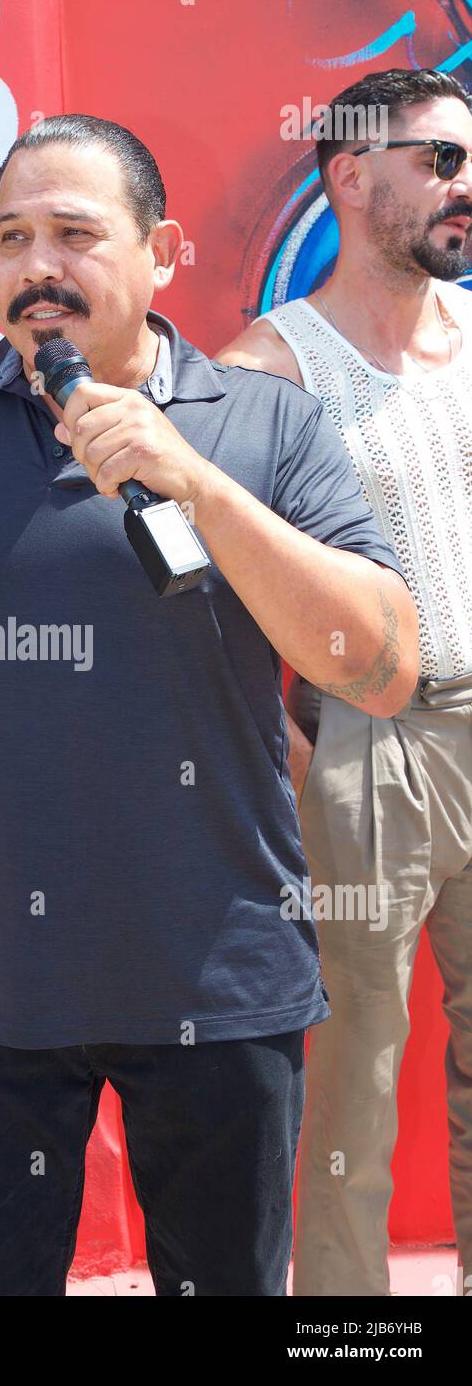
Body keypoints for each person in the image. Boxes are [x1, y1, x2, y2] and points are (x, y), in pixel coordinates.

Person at [0, 114, 418, 1297]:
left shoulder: (267, 425)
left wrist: (189, 478)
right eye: (10, 237)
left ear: (161, 253)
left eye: (72, 233)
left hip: (219, 982)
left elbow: (374, 663)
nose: (35, 265)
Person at [216, 68, 472, 1297]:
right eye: (437, 159)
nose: (462, 186)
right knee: (356, 1072)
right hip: (360, 743)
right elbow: (200, 582)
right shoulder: (268, 368)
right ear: (348, 176)